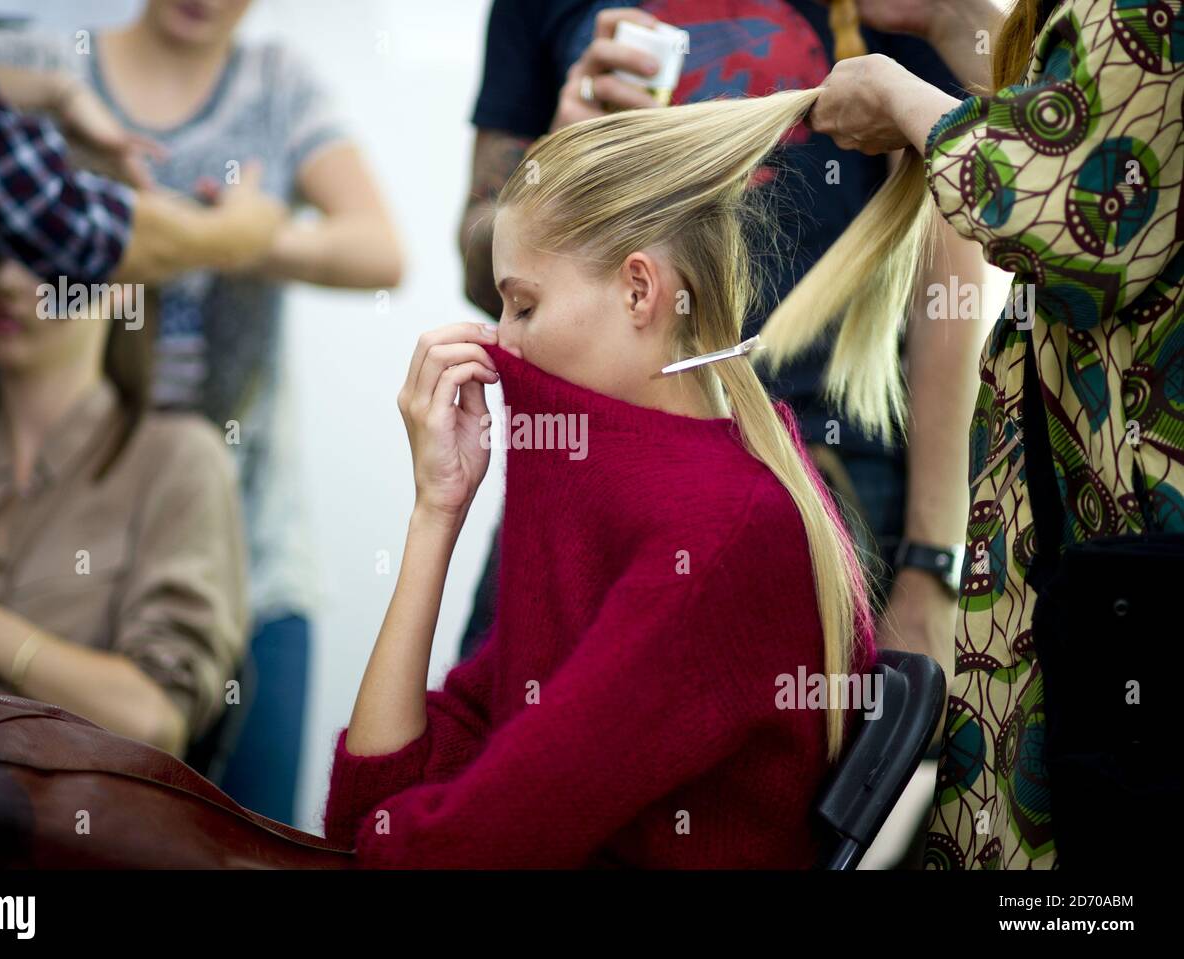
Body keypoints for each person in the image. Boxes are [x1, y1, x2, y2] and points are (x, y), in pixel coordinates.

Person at [321, 86, 938, 867]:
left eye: (522, 305)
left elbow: (443, 846)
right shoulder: (618, 489)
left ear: (639, 289)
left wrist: (380, 828)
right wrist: (435, 511)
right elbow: (380, 808)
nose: (494, 343)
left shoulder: (716, 531)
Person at [455, 0, 992, 691]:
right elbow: (481, 272)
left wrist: (933, 563)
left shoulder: (886, 8)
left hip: (825, 485)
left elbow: (947, 245)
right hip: (585, 480)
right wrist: (551, 169)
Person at [0, 0, 404, 822]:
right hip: (69, 546)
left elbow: (381, 248)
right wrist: (223, 234)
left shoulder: (280, 83)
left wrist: (248, 237)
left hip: (248, 545)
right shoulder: (50, 62)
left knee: (248, 837)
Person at [806, 0, 1184, 868]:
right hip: (1095, 572)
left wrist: (904, 101)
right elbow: (1082, 121)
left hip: (1142, 584)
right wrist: (948, 22)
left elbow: (1073, 200)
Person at [0, 245, 248, 756]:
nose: (6, 282)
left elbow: (152, 721)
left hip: (75, 828)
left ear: (123, 283)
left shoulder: (176, 461)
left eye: (40, 255)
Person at [0, 0, 286, 290]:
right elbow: (70, 231)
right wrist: (231, 235)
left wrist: (59, 93)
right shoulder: (31, 49)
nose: (10, 282)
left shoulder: (279, 82)